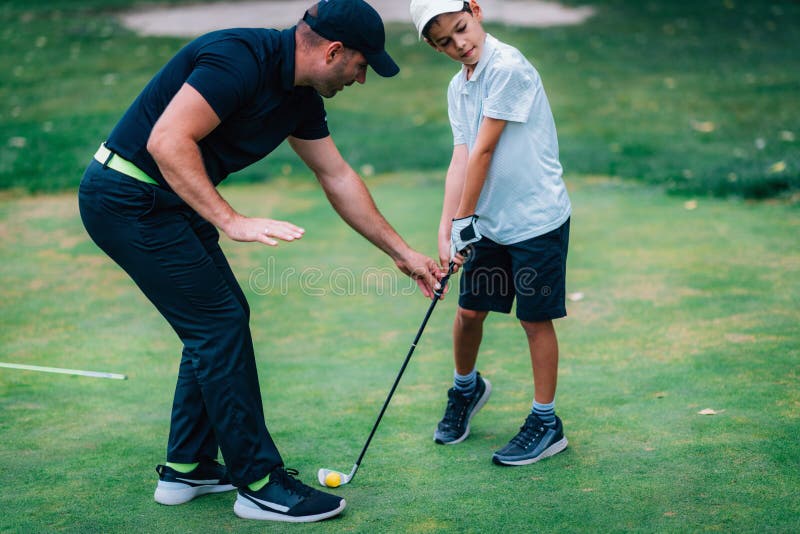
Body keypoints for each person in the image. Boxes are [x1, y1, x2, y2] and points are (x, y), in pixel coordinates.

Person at [78, 0, 443, 523]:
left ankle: (188, 467)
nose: (362, 80)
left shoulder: (299, 97)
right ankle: (258, 484)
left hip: (170, 203)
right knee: (218, 324)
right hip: (128, 198)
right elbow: (166, 140)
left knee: (219, 321)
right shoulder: (239, 57)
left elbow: (337, 176)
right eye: (362, 66)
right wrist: (230, 220)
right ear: (334, 51)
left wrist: (403, 253)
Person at [409, 0, 572, 466]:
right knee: (469, 312)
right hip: (490, 223)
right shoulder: (457, 88)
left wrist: (463, 223)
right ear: (433, 47)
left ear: (475, 11)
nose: (460, 44)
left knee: (533, 319)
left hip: (536, 219)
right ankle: (467, 388)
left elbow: (484, 151)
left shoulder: (509, 67)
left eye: (461, 28)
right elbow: (461, 157)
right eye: (444, 42)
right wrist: (447, 227)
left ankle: (546, 421)